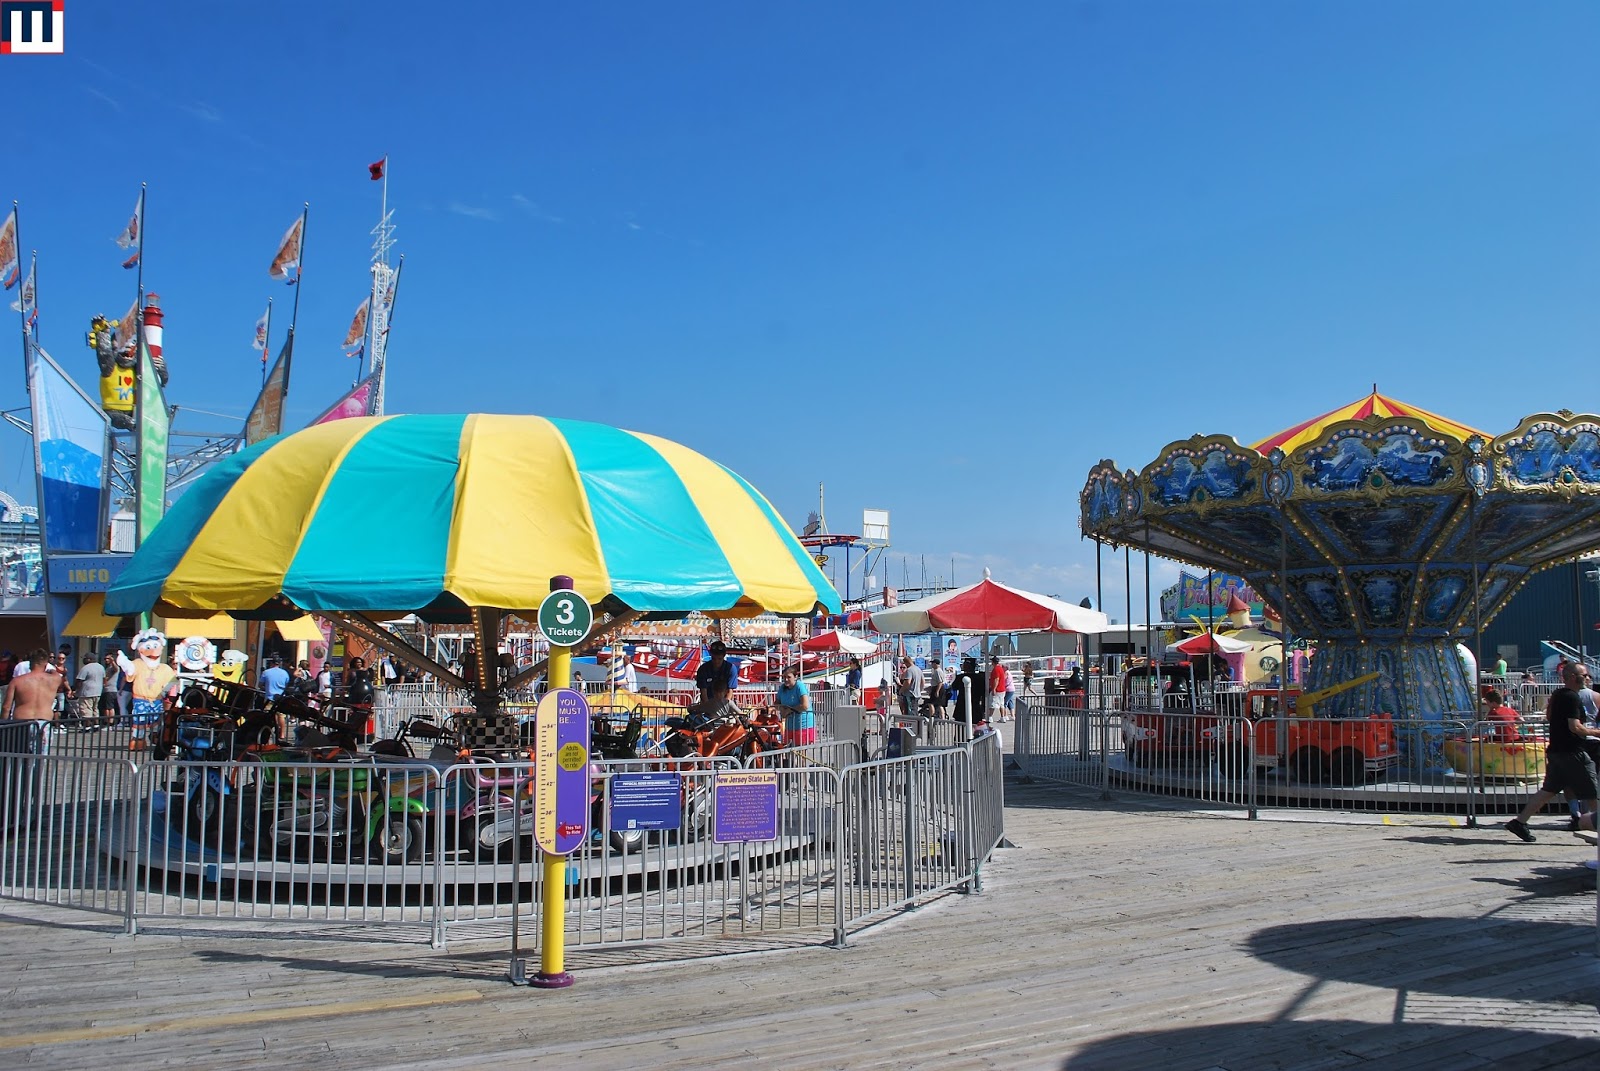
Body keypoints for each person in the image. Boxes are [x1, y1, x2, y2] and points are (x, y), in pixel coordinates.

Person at [1504, 668, 1600, 842]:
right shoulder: (1571, 697)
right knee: (1592, 793)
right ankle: (1596, 829)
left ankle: (1519, 822)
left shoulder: (1558, 695)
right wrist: (1597, 732)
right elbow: (1575, 727)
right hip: (1573, 752)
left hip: (1557, 751)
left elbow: (1549, 716)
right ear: (1572, 677)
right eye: (1584, 675)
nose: (1587, 678)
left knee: (1548, 791)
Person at [115, 630, 178, 752]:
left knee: (158, 721)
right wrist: (124, 662)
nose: (152, 651)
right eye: (148, 647)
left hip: (157, 700)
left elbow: (172, 683)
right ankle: (138, 740)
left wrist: (170, 695)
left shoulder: (164, 668)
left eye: (155, 646)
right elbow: (130, 671)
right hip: (141, 700)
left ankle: (157, 739)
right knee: (140, 721)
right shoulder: (138, 664)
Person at [2, 648, 61, 723]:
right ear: (46, 665)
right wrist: (50, 670)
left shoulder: (17, 681)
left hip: (21, 722)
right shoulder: (54, 679)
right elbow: (56, 673)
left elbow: (6, 707)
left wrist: (3, 723)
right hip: (44, 722)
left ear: (30, 663)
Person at [775, 665, 814, 747]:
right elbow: (776, 703)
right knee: (788, 750)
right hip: (790, 725)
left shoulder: (799, 686)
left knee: (800, 752)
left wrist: (789, 710)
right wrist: (782, 709)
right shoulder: (782, 688)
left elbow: (805, 705)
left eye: (788, 677)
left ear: (795, 677)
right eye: (784, 677)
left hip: (803, 723)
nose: (785, 679)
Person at [691, 641, 735, 715]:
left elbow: (730, 691)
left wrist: (724, 707)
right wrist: (709, 708)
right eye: (714, 658)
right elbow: (703, 692)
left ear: (724, 656)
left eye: (719, 659)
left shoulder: (730, 668)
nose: (716, 661)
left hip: (725, 705)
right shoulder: (703, 669)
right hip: (708, 704)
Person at [950, 656, 987, 731]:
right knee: (976, 729)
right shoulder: (980, 678)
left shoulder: (960, 677)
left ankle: (960, 742)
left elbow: (954, 687)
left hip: (962, 707)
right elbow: (984, 693)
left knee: (960, 730)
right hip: (975, 707)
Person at [72, 654, 104, 731]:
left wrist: (75, 690)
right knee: (95, 709)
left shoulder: (86, 668)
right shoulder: (101, 667)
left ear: (89, 659)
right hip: (98, 691)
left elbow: (79, 680)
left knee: (86, 709)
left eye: (85, 658)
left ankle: (87, 727)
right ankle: (96, 725)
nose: (83, 660)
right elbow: (104, 678)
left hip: (87, 692)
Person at [988, 656, 1012, 723]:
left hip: (998, 689)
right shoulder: (1001, 668)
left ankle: (990, 717)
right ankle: (1003, 717)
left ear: (993, 662)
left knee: (993, 703)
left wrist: (994, 689)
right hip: (1002, 689)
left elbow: (996, 679)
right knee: (1001, 704)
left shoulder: (996, 669)